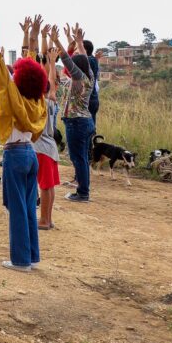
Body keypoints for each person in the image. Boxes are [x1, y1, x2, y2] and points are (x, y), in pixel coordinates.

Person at [0, 17, 48, 272]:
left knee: (17, 209)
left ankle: (21, 260)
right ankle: (32, 257)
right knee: (26, 207)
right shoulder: (37, 100)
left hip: (14, 155)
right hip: (30, 155)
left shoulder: (14, 98)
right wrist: (32, 38)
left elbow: (2, 78)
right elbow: (33, 68)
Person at [50, 24, 95, 203]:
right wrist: (78, 42)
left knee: (78, 159)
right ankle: (84, 191)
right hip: (85, 121)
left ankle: (83, 193)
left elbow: (67, 59)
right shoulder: (89, 75)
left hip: (76, 123)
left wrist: (56, 41)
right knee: (82, 158)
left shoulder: (78, 77)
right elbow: (83, 57)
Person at [34, 35, 61, 231]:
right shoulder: (51, 100)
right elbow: (51, 83)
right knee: (49, 186)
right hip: (51, 147)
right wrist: (51, 62)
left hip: (41, 147)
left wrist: (50, 63)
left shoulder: (38, 102)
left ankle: (44, 220)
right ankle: (48, 219)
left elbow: (48, 82)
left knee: (44, 186)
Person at [83, 39, 100, 128]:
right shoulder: (94, 60)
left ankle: (89, 141)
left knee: (87, 127)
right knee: (92, 125)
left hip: (88, 99)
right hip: (94, 98)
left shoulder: (88, 61)